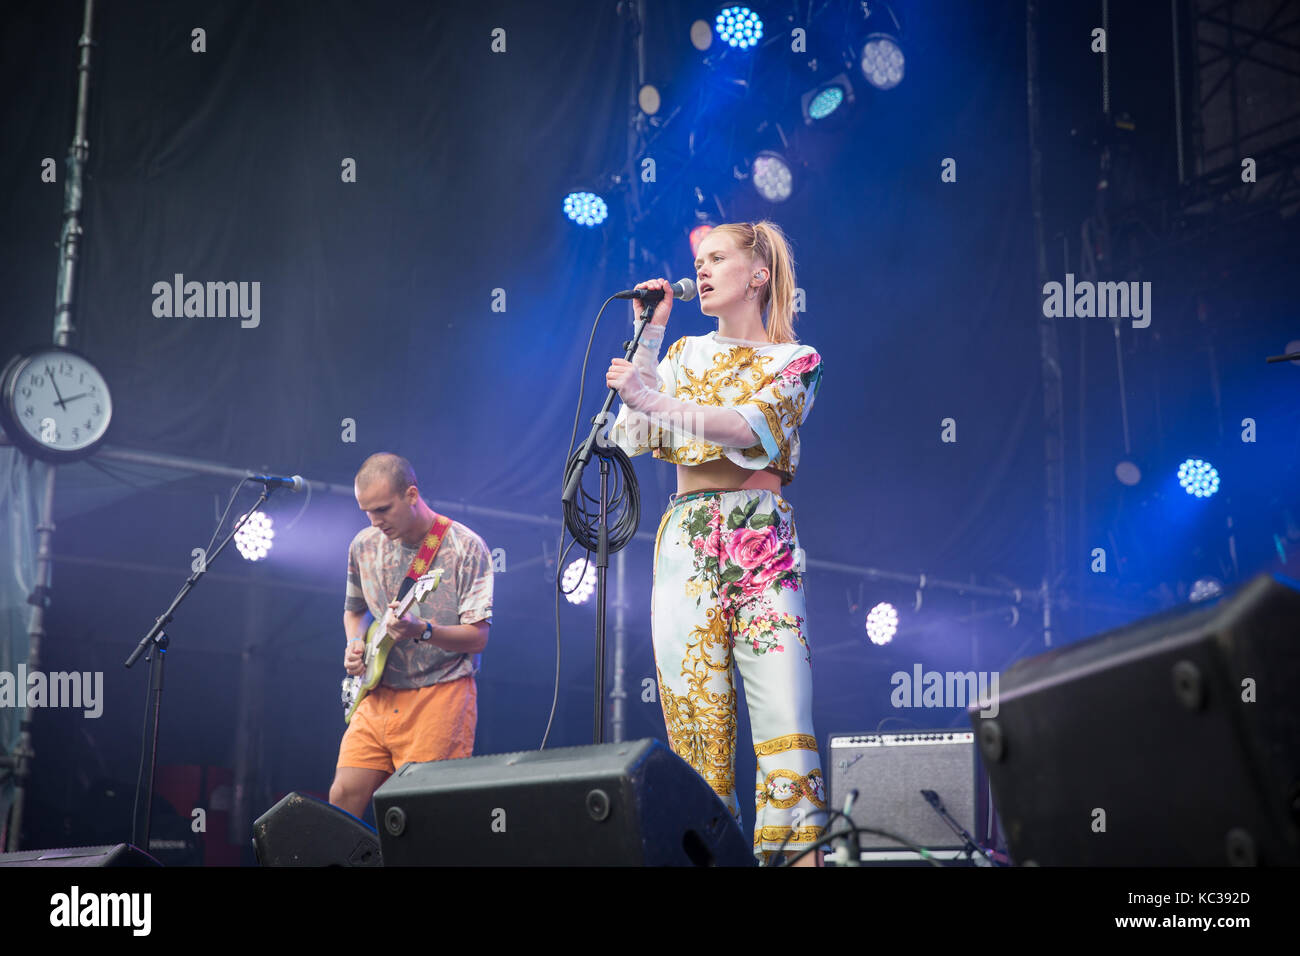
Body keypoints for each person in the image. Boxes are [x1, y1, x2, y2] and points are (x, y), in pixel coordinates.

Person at [605, 220, 826, 865]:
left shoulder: (797, 361)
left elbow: (742, 427)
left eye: (717, 258)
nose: (701, 269)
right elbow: (630, 431)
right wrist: (649, 333)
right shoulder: (681, 355)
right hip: (686, 540)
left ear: (758, 274)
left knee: (786, 724)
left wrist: (652, 398)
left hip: (762, 540)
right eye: (697, 260)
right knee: (696, 734)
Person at [328, 453, 493, 820]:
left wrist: (424, 630)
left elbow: (478, 636)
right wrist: (354, 643)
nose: (375, 521)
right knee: (342, 798)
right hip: (378, 694)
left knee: (422, 816)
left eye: (383, 509)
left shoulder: (465, 547)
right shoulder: (363, 545)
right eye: (366, 511)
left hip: (440, 693)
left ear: (412, 494)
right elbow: (355, 610)